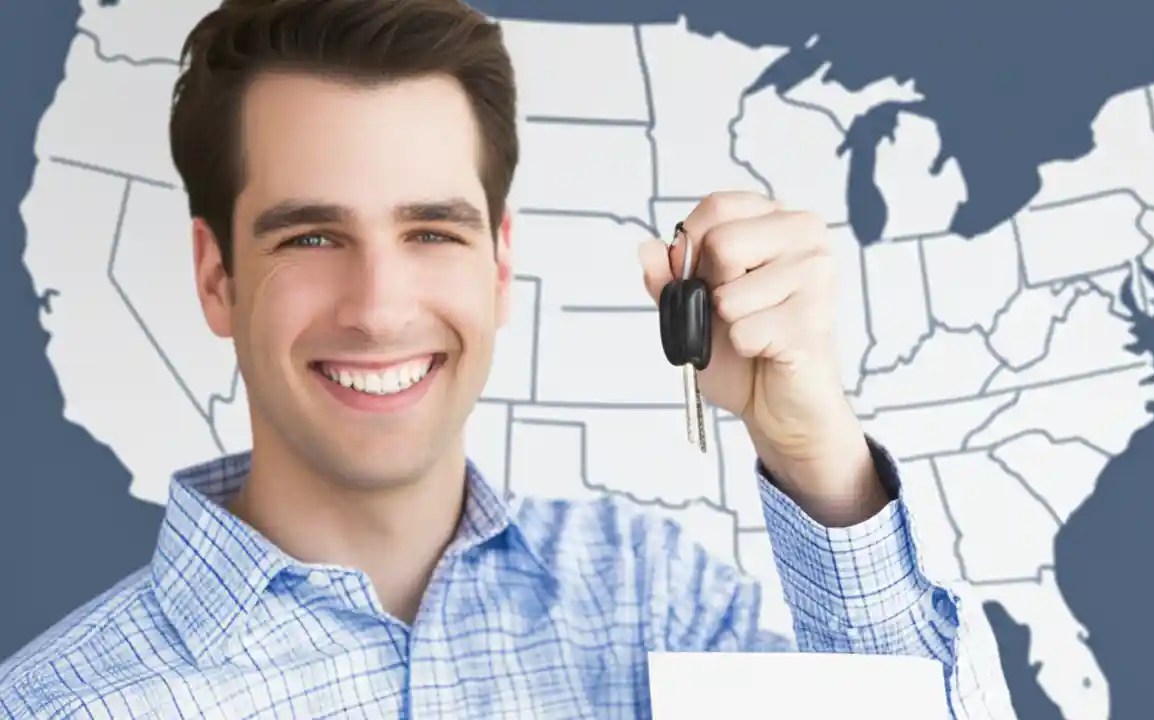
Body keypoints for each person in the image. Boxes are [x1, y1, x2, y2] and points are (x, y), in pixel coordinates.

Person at [0, 0, 1013, 717]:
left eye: (431, 231)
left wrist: (814, 454)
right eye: (310, 237)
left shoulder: (653, 600)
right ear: (215, 277)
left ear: (498, 263)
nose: (379, 307)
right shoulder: (64, 707)